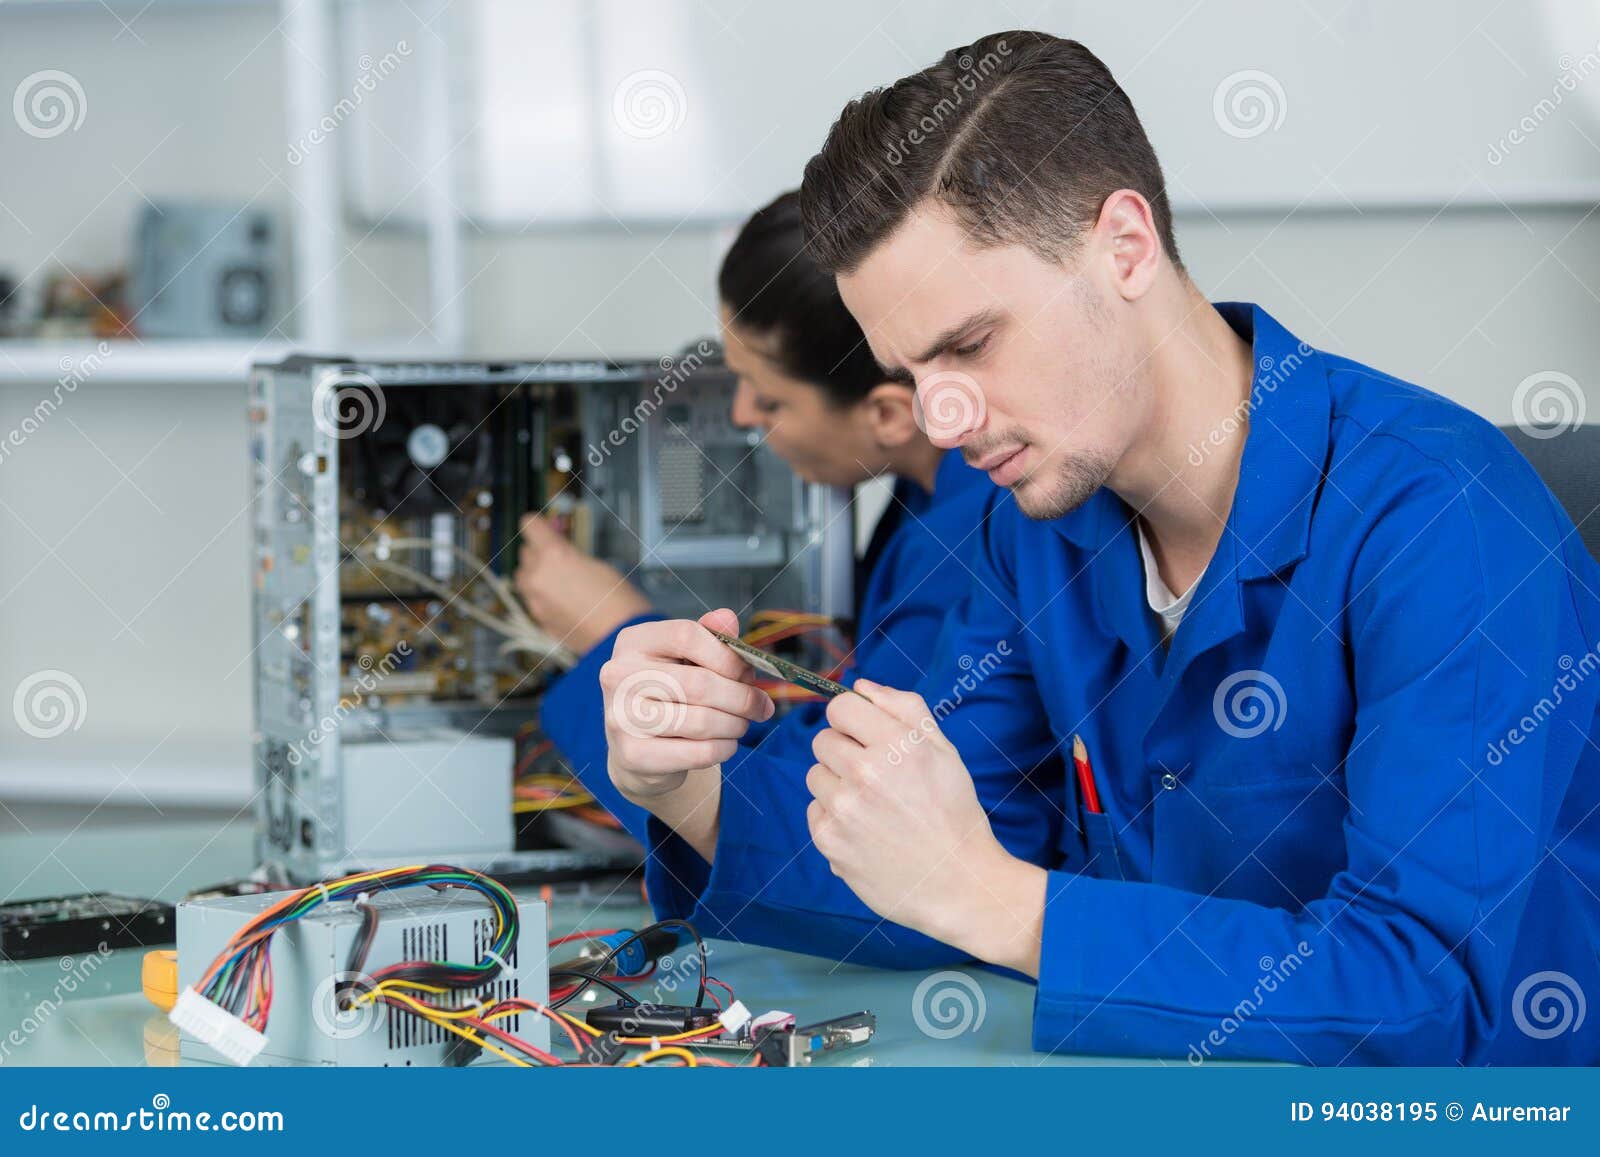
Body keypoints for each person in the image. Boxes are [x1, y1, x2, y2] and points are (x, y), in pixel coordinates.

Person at [594, 32, 1600, 1065]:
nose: (940, 418)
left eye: (970, 344)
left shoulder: (1443, 520)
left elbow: (1422, 989)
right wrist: (687, 786)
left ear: (1124, 244)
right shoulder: (1035, 528)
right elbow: (934, 860)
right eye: (910, 366)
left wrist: (998, 901)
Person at [516, 190, 995, 834]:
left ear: (886, 415)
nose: (741, 415)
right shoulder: (936, 490)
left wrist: (611, 635)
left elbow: (840, 813)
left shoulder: (976, 547)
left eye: (768, 401)